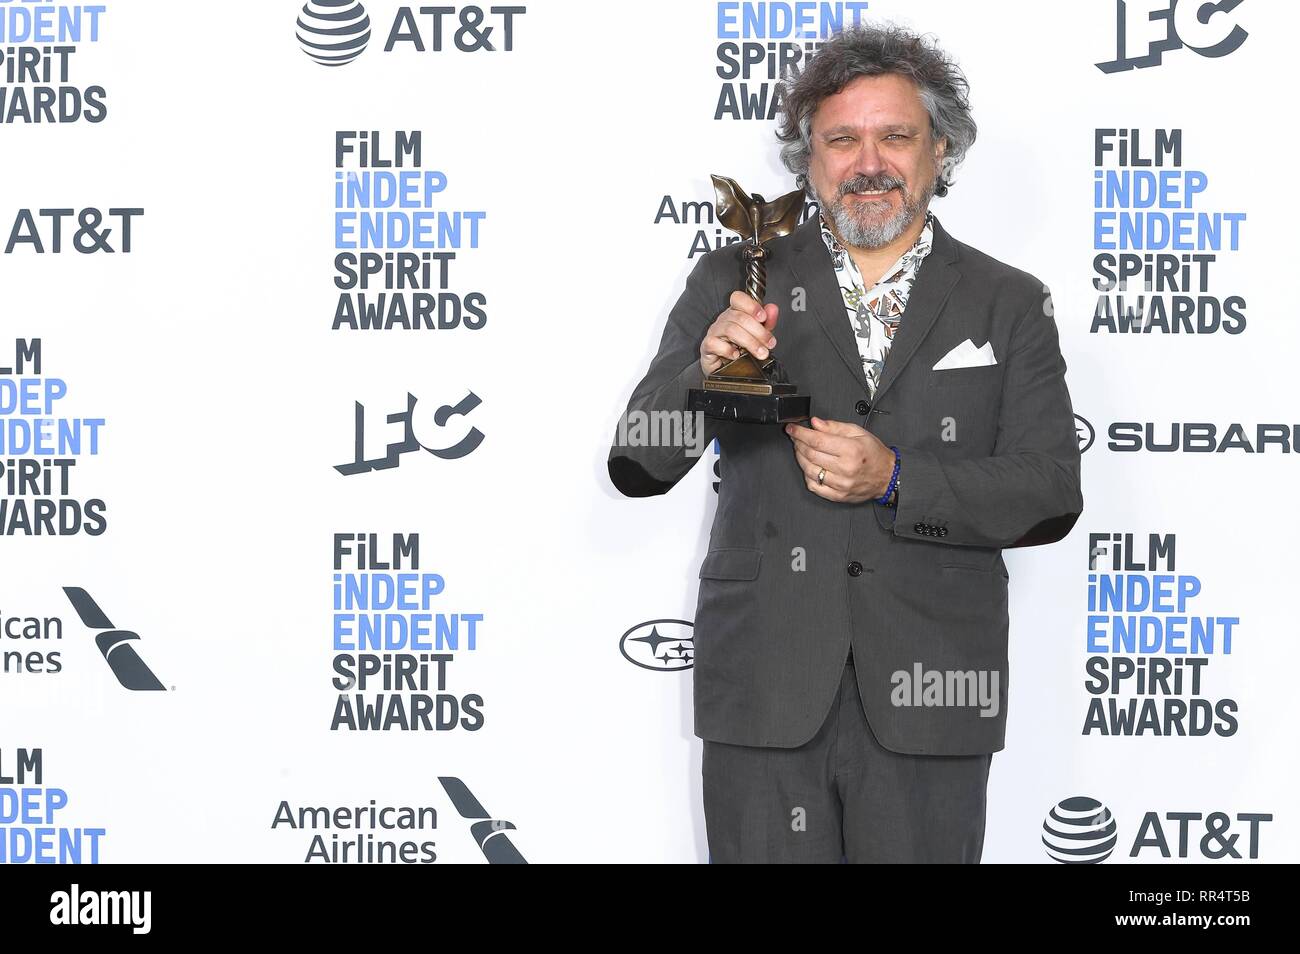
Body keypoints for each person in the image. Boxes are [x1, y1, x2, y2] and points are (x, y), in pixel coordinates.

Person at [608, 23, 1083, 863]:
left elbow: (1048, 491)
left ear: (940, 149)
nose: (870, 161)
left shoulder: (1008, 301)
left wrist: (898, 477)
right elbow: (642, 461)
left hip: (934, 686)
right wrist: (703, 377)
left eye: (896, 135)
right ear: (808, 159)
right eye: (842, 139)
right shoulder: (733, 279)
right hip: (764, 683)